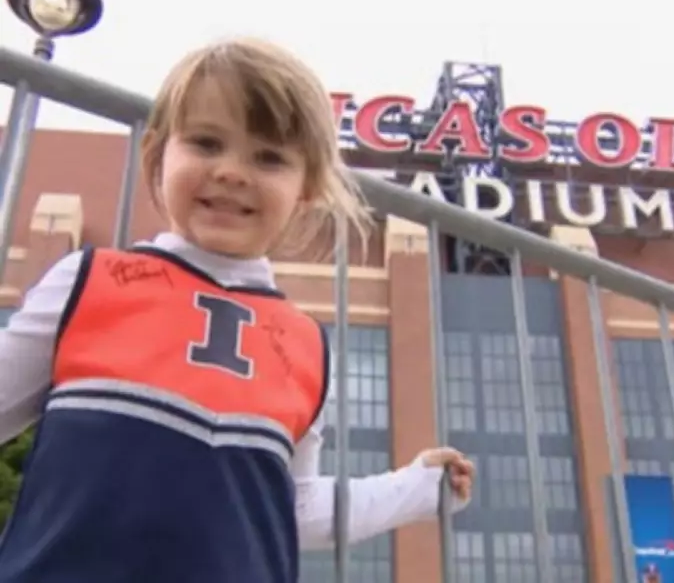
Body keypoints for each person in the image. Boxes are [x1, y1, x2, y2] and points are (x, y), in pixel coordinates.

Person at [0, 37, 475, 582]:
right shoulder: (88, 281)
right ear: (157, 153)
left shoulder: (306, 345)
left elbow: (291, 509)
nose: (231, 171)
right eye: (205, 143)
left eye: (269, 157)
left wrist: (414, 489)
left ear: (307, 189)